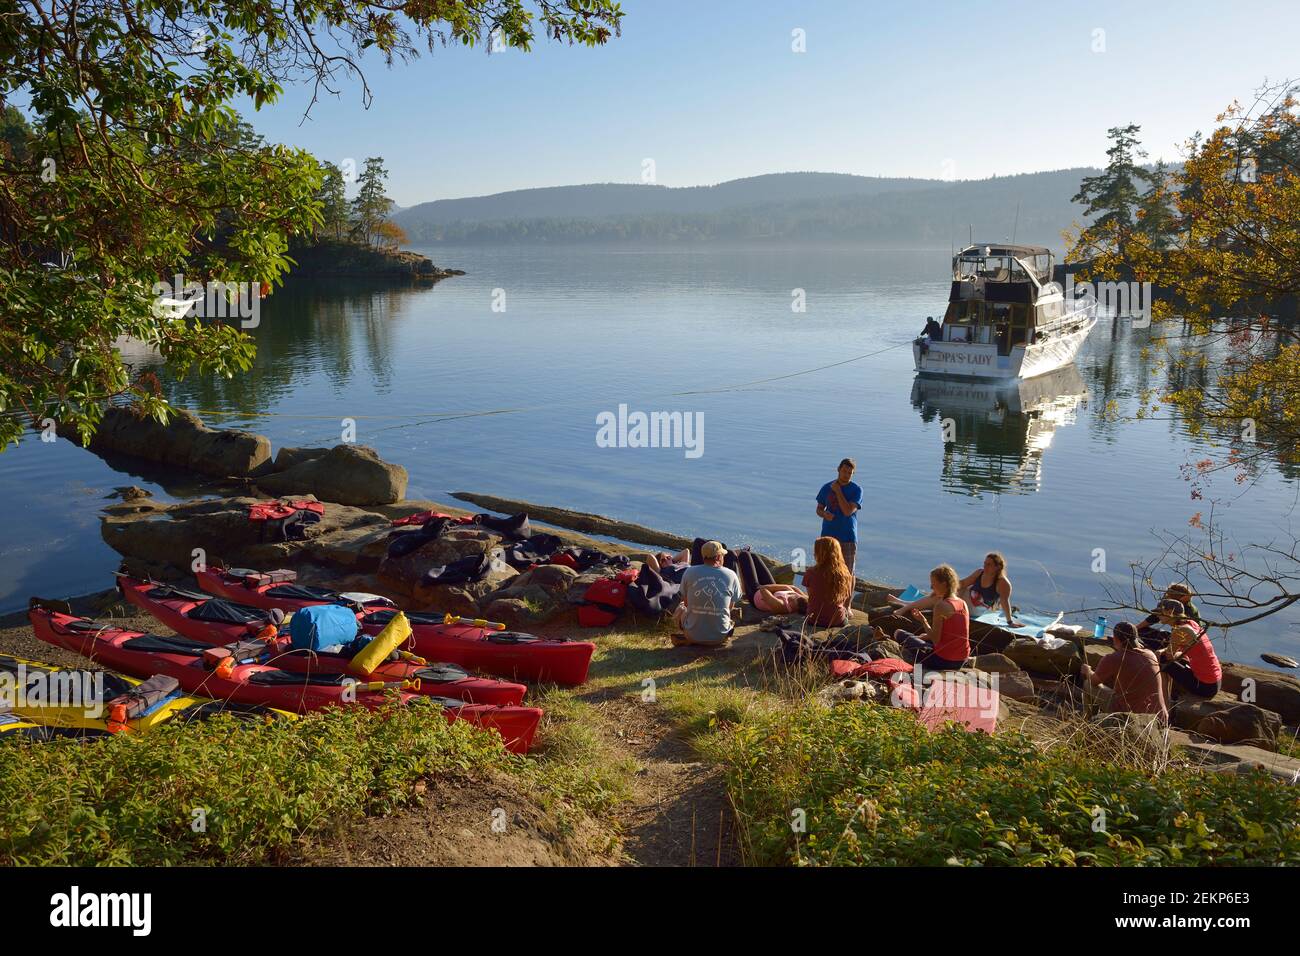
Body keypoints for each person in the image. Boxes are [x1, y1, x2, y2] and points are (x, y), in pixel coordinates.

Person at [876, 564, 969, 671]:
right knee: (921, 636)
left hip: (943, 661)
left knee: (899, 633)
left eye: (933, 584)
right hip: (962, 660)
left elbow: (936, 640)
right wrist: (925, 636)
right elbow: (952, 634)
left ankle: (886, 639)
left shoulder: (941, 605)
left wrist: (923, 621)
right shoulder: (962, 603)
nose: (931, 587)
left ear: (943, 584)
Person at [1079, 621, 1167, 720]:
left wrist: (1088, 670)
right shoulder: (1150, 654)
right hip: (1159, 717)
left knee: (1087, 684)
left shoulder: (1113, 658)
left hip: (1131, 717)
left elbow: (1094, 681)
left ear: (1115, 639)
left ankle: (1091, 721)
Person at [672, 540, 743, 647]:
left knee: (681, 607)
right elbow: (730, 607)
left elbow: (686, 603)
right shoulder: (731, 574)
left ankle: (689, 634)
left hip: (692, 635)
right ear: (719, 557)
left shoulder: (689, 571)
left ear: (703, 556)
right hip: (719, 636)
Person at [815, 458, 863, 613]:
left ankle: (847, 605)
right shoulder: (826, 487)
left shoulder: (856, 490)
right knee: (825, 569)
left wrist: (838, 491)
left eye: (850, 473)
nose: (846, 475)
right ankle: (826, 601)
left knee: (848, 572)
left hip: (847, 536)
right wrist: (824, 514)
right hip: (828, 537)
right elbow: (819, 508)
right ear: (838, 469)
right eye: (844, 471)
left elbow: (848, 511)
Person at [1160, 613, 1222, 700]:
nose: (1158, 615)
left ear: (1170, 612)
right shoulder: (1192, 623)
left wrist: (1159, 652)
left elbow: (1169, 656)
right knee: (1177, 661)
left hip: (1205, 686)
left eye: (1160, 613)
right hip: (1215, 682)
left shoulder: (1180, 630)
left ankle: (1163, 696)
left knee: (1162, 661)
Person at [802, 536, 855, 627]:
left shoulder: (811, 572)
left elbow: (812, 596)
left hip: (813, 619)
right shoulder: (845, 573)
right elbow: (847, 596)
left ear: (818, 553)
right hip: (837, 621)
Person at [958, 552, 1020, 628]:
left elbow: (1005, 602)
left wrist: (1010, 621)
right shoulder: (980, 572)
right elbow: (963, 583)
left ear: (997, 567)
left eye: (989, 565)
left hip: (976, 609)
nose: (985, 566)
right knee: (959, 588)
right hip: (967, 599)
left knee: (958, 591)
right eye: (984, 563)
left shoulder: (1002, 583)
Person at [1137, 584, 1202, 649]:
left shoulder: (1186, 612)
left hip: (1182, 641)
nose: (1166, 597)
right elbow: (1155, 617)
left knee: (1145, 634)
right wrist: (1136, 628)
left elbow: (1155, 617)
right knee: (1143, 631)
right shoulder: (1185, 617)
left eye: (1169, 596)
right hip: (1181, 639)